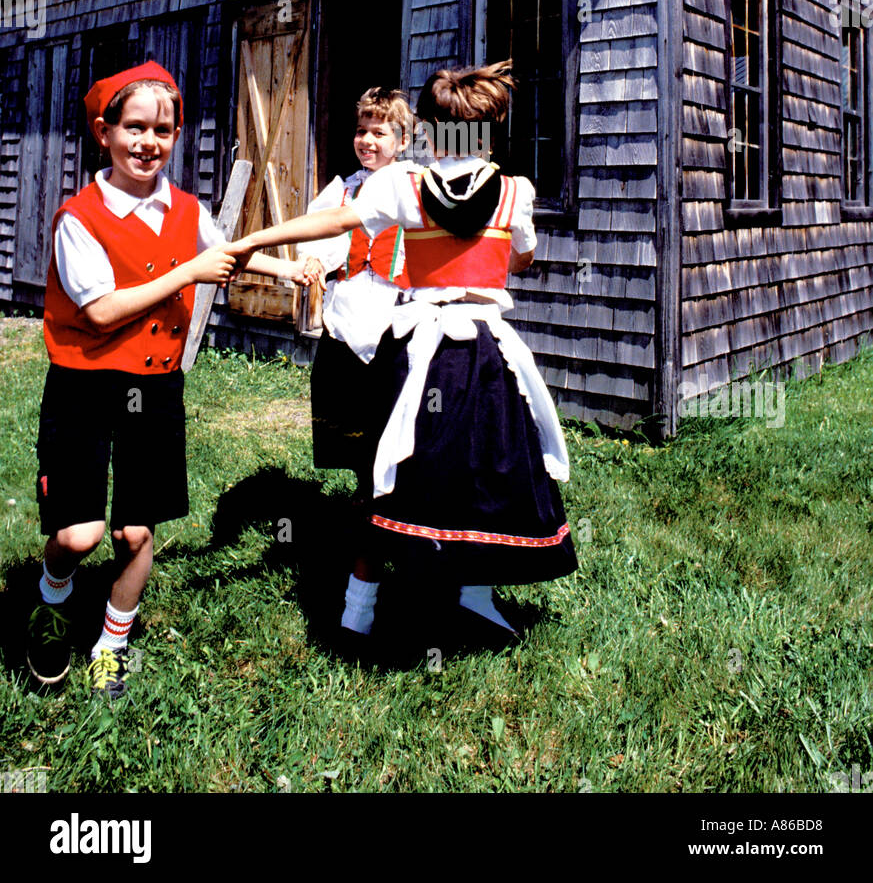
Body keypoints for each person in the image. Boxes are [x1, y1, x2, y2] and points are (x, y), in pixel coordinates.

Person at [230, 60, 576, 650]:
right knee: (485, 469)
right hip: (482, 352)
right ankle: (465, 597)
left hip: (419, 349)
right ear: (489, 134)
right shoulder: (516, 192)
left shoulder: (402, 186)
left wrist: (254, 239)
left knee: (391, 476)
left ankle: (361, 611)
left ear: (431, 135)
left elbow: (331, 221)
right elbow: (520, 258)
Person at [27, 61, 315, 698]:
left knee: (135, 530)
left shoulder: (183, 209)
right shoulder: (81, 217)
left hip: (152, 388)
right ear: (104, 132)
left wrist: (282, 270)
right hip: (83, 381)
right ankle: (50, 599)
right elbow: (101, 311)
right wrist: (188, 274)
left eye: (163, 130)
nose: (147, 143)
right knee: (80, 533)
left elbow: (223, 254)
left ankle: (112, 642)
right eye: (134, 127)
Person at [300, 87, 412, 493]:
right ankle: (362, 483)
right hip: (348, 307)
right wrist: (315, 259)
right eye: (362, 130)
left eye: (379, 133)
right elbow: (321, 233)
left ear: (402, 140)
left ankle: (392, 489)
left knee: (388, 404)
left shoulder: (411, 187)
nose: (367, 140)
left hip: (391, 309)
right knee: (345, 405)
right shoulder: (344, 190)